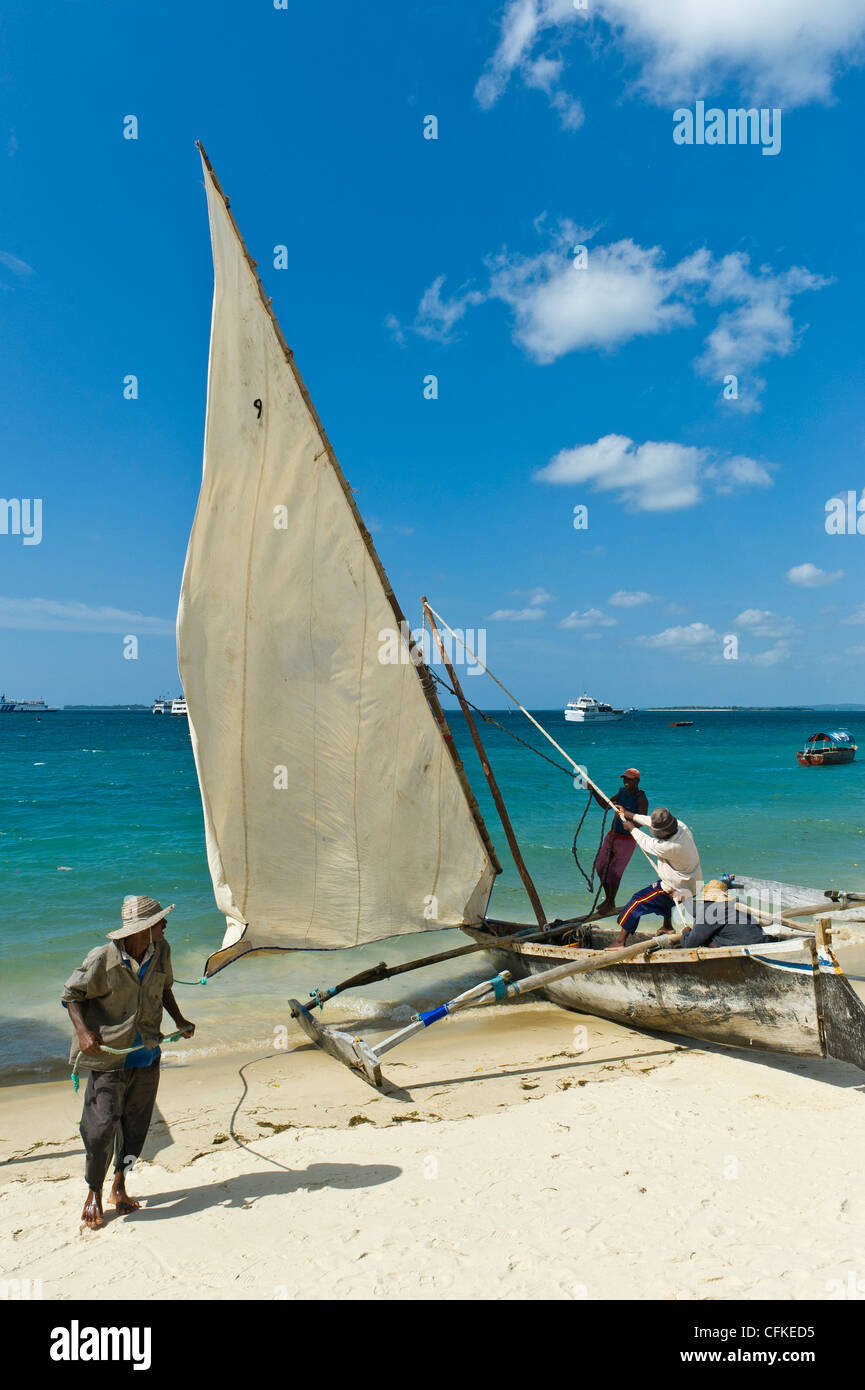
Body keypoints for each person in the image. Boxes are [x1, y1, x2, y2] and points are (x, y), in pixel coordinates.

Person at [62, 895, 195, 1229]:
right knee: (99, 1130)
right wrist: (83, 1033)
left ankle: (120, 1182)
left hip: (147, 1053)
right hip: (109, 1059)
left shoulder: (161, 950)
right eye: (160, 921)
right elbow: (71, 996)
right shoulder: (102, 959)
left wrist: (179, 1019)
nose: (165, 924)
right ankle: (94, 1189)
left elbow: (163, 988)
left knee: (136, 1126)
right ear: (145, 929)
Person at [604, 806, 702, 948]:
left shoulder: (669, 846)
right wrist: (628, 814)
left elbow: (645, 842)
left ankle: (620, 941)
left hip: (678, 887)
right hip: (692, 882)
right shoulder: (682, 827)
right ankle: (667, 926)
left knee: (636, 902)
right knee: (661, 895)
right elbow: (650, 821)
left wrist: (631, 828)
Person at [590, 768, 648, 913]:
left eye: (629, 779)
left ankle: (609, 902)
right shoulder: (621, 793)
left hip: (628, 839)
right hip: (613, 834)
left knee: (615, 873)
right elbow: (605, 805)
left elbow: (642, 822)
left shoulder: (641, 798)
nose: (626, 782)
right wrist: (593, 791)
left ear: (637, 781)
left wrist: (625, 814)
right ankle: (610, 900)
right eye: (624, 779)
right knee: (601, 867)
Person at [676, 880, 770, 950]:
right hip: (762, 941)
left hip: (744, 948)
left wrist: (685, 933)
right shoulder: (739, 903)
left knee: (707, 940)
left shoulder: (708, 910)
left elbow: (689, 945)